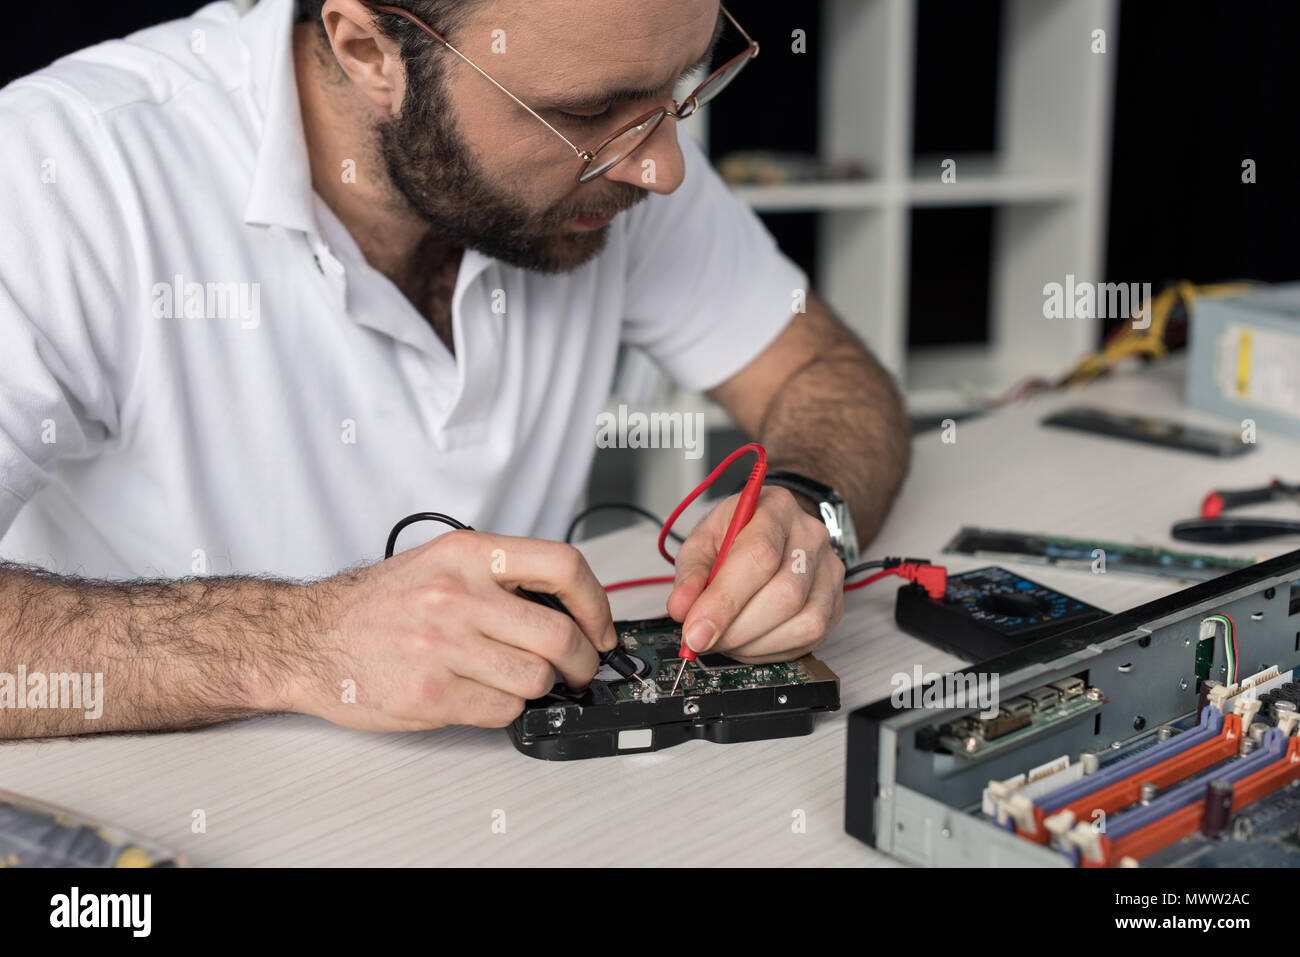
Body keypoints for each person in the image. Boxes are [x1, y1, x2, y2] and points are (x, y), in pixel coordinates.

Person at [0, 0, 909, 739]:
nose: (665, 169)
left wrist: (809, 511)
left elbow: (822, 372)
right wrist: (301, 644)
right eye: (586, 114)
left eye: (679, 89)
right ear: (367, 49)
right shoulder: (63, 175)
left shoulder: (624, 151)